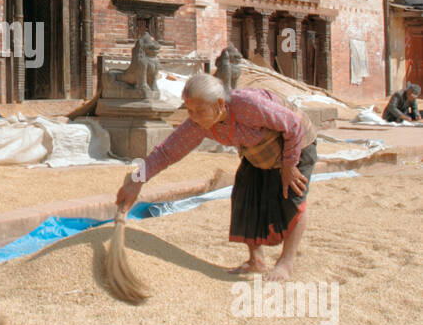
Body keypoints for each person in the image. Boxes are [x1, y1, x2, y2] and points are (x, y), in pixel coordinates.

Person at [115, 72, 317, 281]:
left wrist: (289, 166)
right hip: (257, 152)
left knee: (292, 199)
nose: (193, 116)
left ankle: (286, 263)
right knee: (245, 197)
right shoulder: (197, 124)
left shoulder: (248, 105)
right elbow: (166, 153)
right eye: (189, 110)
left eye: (199, 110)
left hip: (297, 143)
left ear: (220, 104)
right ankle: (256, 260)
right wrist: (136, 182)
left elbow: (294, 125)